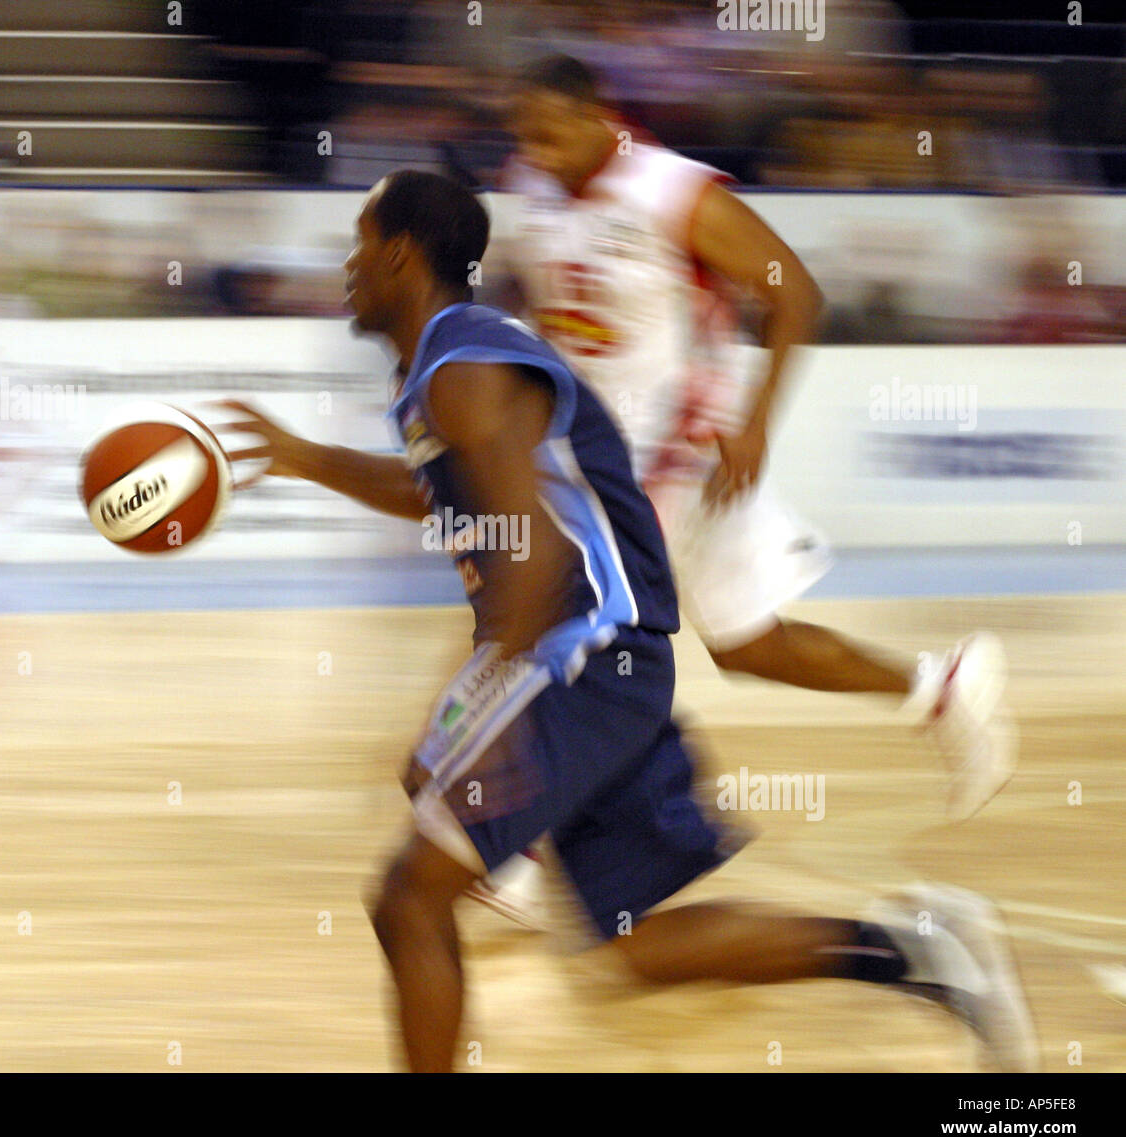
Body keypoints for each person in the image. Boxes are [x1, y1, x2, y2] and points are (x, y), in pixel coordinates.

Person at [219, 169, 1036, 1073]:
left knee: (410, 899)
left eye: (360, 244)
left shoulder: (464, 366)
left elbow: (538, 562)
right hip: (613, 664)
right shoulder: (449, 368)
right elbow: (438, 493)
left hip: (583, 657)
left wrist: (468, 706)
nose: (347, 265)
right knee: (627, 951)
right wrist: (303, 458)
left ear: (402, 254)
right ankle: (915, 952)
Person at [479, 55, 1016, 923]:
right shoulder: (536, 189)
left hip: (684, 453)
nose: (532, 149)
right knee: (744, 645)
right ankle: (941, 686)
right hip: (601, 451)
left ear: (594, 116)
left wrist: (758, 418)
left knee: (568, 617)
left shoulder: (673, 191)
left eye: (546, 131)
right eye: (521, 134)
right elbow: (561, 319)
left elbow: (795, 292)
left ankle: (526, 850)